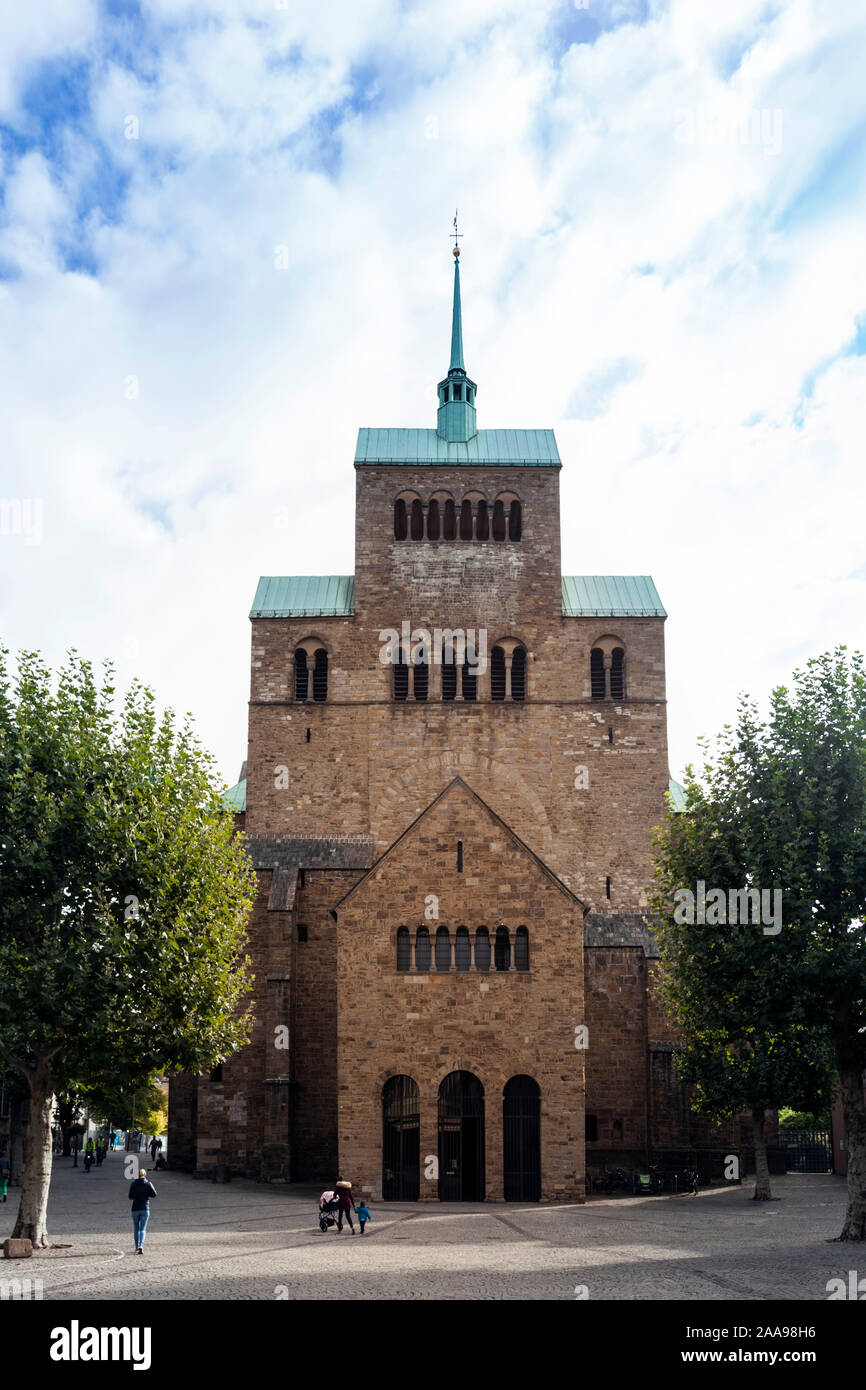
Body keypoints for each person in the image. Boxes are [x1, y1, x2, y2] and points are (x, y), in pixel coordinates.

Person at [128, 1168, 157, 1254]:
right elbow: (154, 1194)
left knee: (136, 1228)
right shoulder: (148, 1184)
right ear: (145, 1175)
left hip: (135, 1209)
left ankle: (137, 1247)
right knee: (142, 1229)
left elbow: (130, 1197)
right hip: (145, 1208)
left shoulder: (133, 1184)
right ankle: (141, 1245)